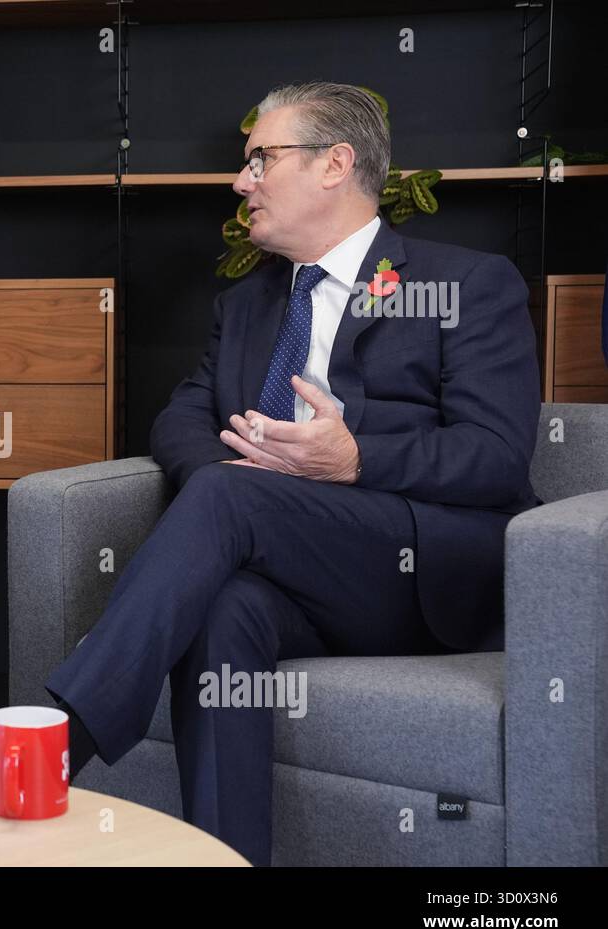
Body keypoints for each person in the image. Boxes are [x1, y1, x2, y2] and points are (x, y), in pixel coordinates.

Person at [45, 82, 541, 865]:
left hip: (420, 571)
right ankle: (226, 858)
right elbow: (181, 416)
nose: (241, 183)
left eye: (260, 160)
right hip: (291, 570)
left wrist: (357, 458)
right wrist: (242, 473)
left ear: (334, 165)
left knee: (230, 500)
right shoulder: (246, 305)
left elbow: (497, 453)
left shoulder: (468, 286)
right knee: (223, 610)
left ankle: (54, 743)